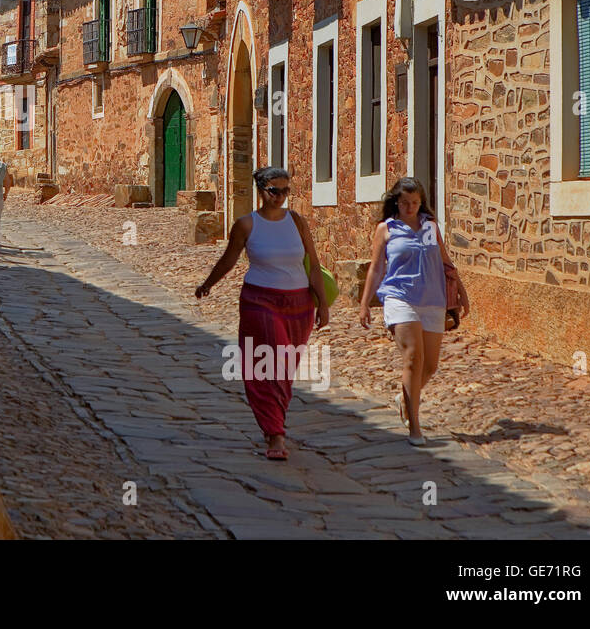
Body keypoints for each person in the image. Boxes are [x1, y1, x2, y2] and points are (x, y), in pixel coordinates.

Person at [194, 167, 331, 460]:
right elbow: (229, 259)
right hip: (260, 301)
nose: (280, 197)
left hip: (299, 305)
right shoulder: (246, 224)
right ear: (261, 191)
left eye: (285, 191)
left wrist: (322, 303)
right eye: (274, 191)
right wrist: (208, 284)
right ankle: (276, 435)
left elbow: (314, 265)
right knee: (269, 365)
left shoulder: (297, 221)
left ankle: (273, 424)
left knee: (285, 369)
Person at [359, 176, 469, 446]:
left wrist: (461, 291)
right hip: (399, 298)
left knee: (430, 366)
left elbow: (444, 260)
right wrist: (365, 303)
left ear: (422, 203)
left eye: (416, 203)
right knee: (413, 358)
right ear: (396, 201)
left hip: (433, 299)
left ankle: (405, 398)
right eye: (405, 202)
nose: (410, 208)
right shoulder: (386, 229)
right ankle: (415, 428)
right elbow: (376, 268)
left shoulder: (430, 226)